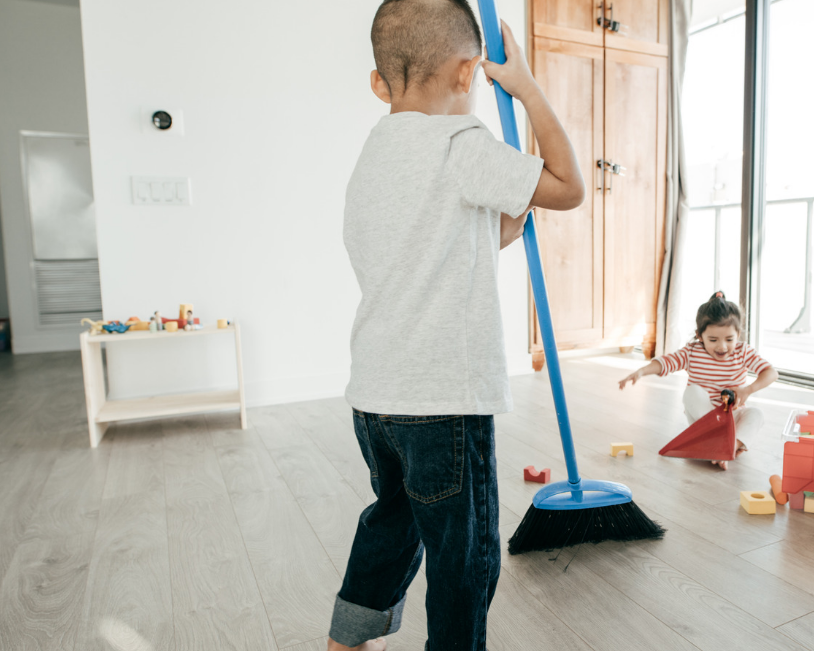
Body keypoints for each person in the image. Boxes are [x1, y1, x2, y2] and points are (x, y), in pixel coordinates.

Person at [328, 1, 584, 649]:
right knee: (463, 558)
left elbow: (430, 249)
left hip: (376, 398)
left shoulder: (375, 151)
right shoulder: (461, 142)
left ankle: (345, 638)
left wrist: (503, 219)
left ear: (379, 83)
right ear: (471, 73)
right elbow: (567, 185)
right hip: (443, 400)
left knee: (393, 520)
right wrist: (523, 85)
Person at [618, 291, 779, 470]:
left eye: (729, 339)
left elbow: (771, 372)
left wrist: (748, 390)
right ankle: (719, 442)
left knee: (756, 414)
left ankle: (728, 448)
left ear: (738, 334)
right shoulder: (693, 351)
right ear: (700, 336)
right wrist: (642, 371)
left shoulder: (743, 351)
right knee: (692, 392)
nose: (722, 346)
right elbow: (667, 362)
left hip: (731, 420)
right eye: (713, 339)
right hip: (704, 420)